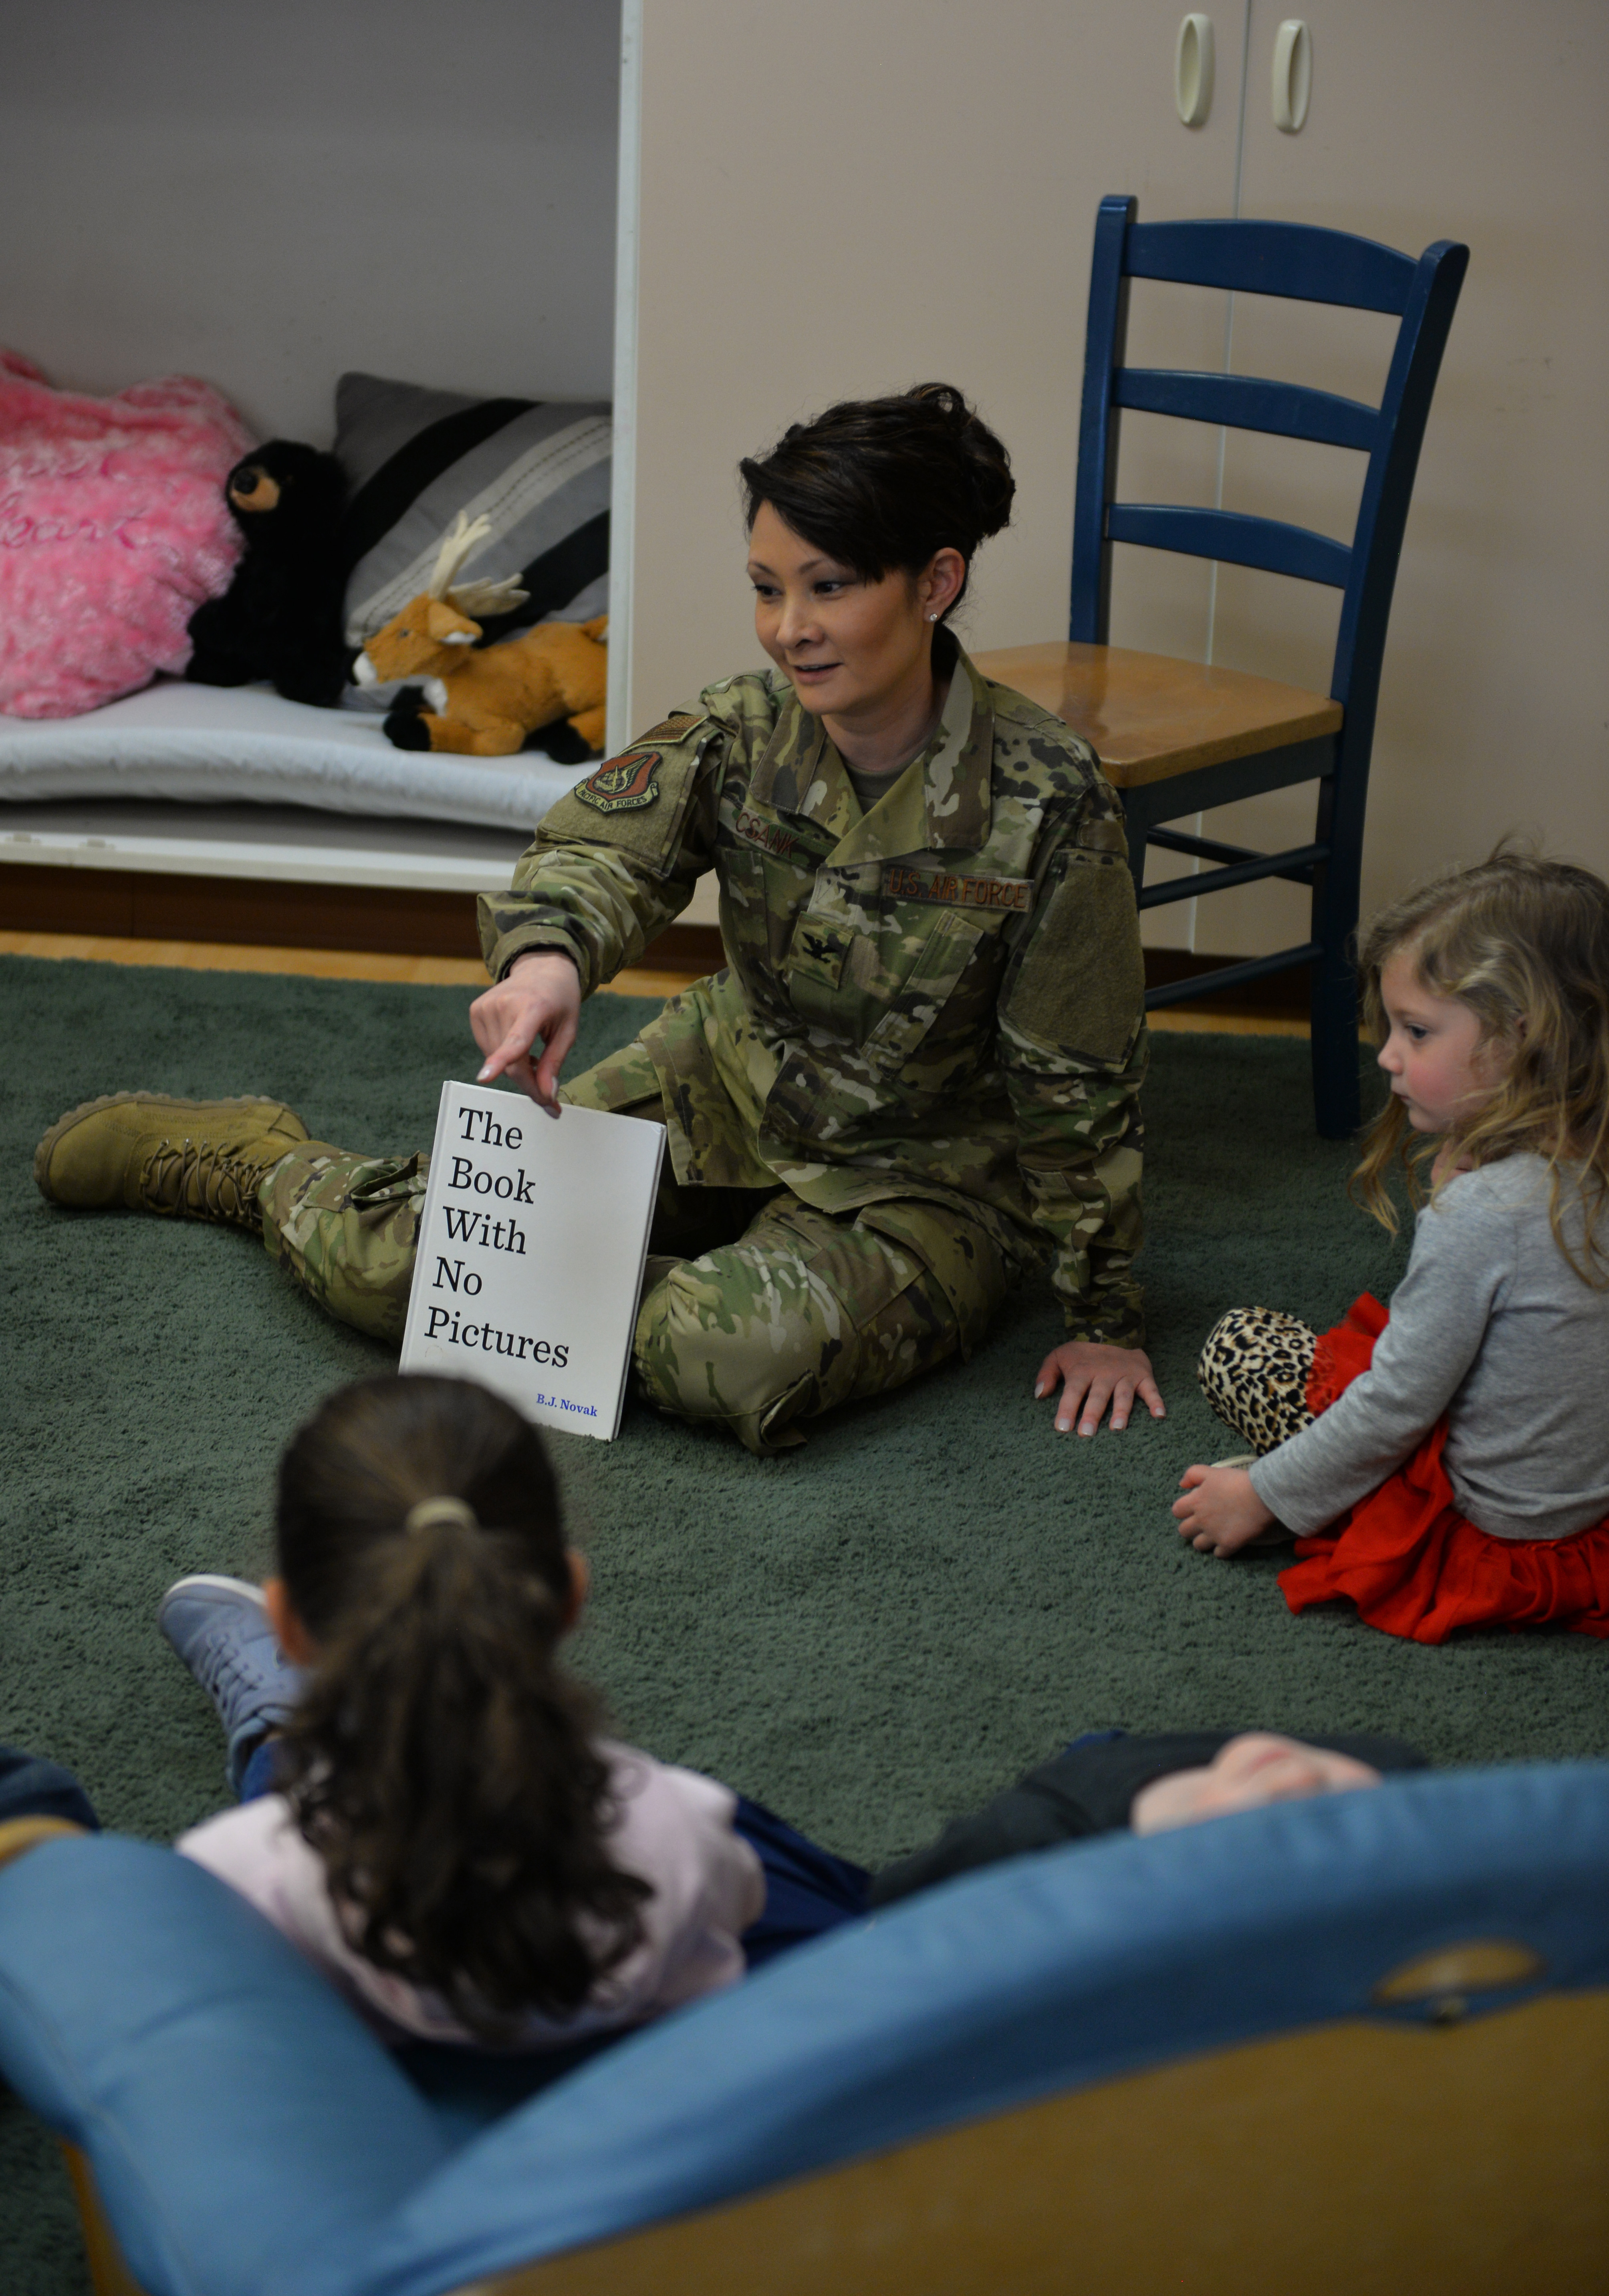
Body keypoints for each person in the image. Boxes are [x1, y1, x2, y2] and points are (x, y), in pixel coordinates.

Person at [34, 383, 1161, 1454]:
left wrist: (1101, 1311)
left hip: (924, 1180)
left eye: (829, 587)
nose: (789, 629)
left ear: (935, 582)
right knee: (404, 1262)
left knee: (720, 1356)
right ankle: (259, 1164)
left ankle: (671, 1289)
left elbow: (1076, 1071)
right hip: (728, 1079)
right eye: (767, 587)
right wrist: (545, 967)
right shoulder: (742, 726)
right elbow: (602, 853)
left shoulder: (1049, 798)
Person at [163, 1373, 866, 2049]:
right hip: (657, 2115)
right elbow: (741, 1920)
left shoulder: (227, 1880)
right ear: (571, 1595)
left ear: (287, 1625)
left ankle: (282, 1726)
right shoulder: (687, 1829)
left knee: (298, 1772)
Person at [1174, 850, 1609, 1643]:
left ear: (1522, 1037)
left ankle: (1306, 1507)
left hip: (1482, 1528)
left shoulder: (1485, 1211)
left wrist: (1267, 1494)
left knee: (1242, 1345)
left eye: (1416, 1030)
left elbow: (1398, 1406)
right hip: (1591, 1518)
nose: (1387, 1056)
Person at [869, 1726, 1425, 1907]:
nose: (1300, 1782)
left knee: (1093, 1755)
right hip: (1136, 1759)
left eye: (1279, 1825)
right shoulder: (1387, 1777)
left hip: (1076, 1788)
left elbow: (885, 1917)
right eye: (1342, 1814)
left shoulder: (1030, 1839)